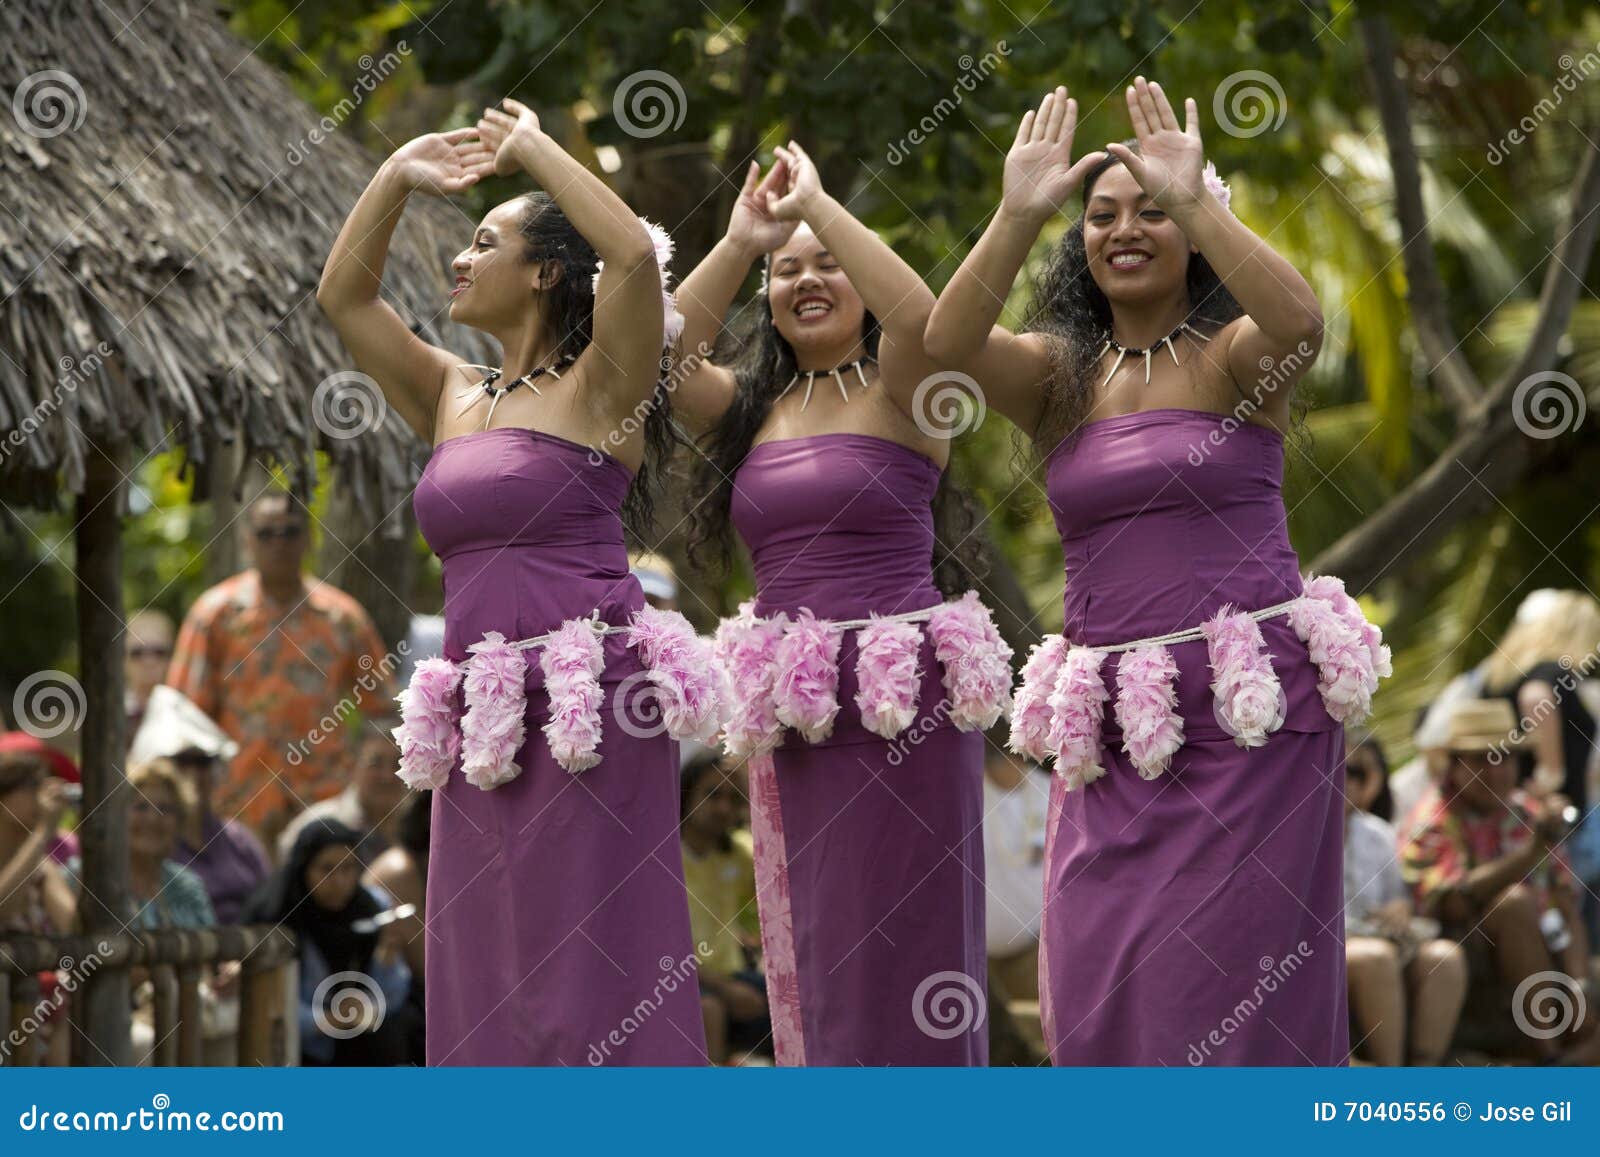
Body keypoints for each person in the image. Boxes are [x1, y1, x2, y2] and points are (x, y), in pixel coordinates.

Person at [925, 82, 1384, 1065]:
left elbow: (1301, 320)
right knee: (1100, 974)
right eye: (1101, 216)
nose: (1125, 230)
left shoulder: (1231, 361)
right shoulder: (1060, 379)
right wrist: (1015, 212)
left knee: (1233, 979)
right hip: (1115, 726)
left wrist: (1198, 197)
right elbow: (946, 346)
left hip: (1249, 717)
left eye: (1149, 212)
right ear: (1077, 240)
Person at [317, 99, 705, 1064]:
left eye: (483, 242)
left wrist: (537, 150)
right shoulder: (452, 390)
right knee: (484, 950)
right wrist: (397, 174)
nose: (459, 259)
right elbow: (346, 300)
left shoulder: (608, 383)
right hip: (481, 713)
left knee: (585, 966)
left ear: (542, 272)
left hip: (590, 705)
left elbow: (634, 260)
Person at [676, 143, 1007, 1065]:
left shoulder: (909, 390)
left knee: (911, 940)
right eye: (788, 275)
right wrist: (745, 240)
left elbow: (927, 317)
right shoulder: (751, 406)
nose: (808, 281)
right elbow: (660, 359)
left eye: (827, 267)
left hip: (905, 714)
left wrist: (823, 211)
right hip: (798, 717)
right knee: (813, 937)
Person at [164, 490, 396, 843]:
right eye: (266, 533)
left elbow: (384, 712)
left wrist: (376, 788)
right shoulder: (214, 614)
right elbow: (183, 717)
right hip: (235, 803)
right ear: (247, 541)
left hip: (324, 802)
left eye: (290, 532)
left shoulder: (342, 618)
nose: (279, 543)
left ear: (308, 540)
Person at [1400, 698, 1597, 1062]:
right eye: (1481, 760)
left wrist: (1580, 984)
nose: (1496, 771)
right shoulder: (1433, 820)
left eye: (1504, 757)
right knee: (1512, 903)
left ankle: (1568, 1058)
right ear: (1455, 766)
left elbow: (1565, 905)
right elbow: (1451, 902)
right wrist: (1526, 855)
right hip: (1466, 963)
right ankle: (1550, 1053)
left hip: (1547, 955)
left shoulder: (1529, 813)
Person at [242, 819, 411, 1066]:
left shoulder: (371, 908)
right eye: (327, 870)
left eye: (349, 868)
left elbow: (394, 997)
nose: (341, 882)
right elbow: (268, 1006)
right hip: (299, 1052)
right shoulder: (277, 916)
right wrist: (329, 1020)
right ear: (304, 868)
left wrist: (386, 956)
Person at [1342, 733, 1466, 1065]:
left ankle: (1424, 1071)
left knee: (1445, 956)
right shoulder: (1293, 837)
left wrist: (1400, 909)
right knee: (1375, 958)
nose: (1348, 781)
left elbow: (1401, 898)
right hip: (1325, 950)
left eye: (1355, 773)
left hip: (1377, 939)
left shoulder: (1379, 834)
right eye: (1339, 770)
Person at [130, 684, 270, 925]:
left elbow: (271, 903)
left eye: (202, 762)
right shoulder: (144, 846)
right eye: (182, 761)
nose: (193, 773)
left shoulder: (239, 841)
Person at [679, 751, 768, 1063]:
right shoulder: (665, 857)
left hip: (733, 975)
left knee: (793, 996)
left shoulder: (738, 855)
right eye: (712, 794)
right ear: (686, 793)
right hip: (677, 982)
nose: (723, 807)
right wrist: (727, 991)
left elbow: (765, 917)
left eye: (733, 797)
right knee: (709, 1010)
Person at [64, 758, 216, 931]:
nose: (153, 819)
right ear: (115, 817)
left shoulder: (186, 886)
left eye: (165, 809)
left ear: (180, 822)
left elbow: (212, 949)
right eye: (141, 807)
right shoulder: (80, 878)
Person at [0, 742, 76, 1065]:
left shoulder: (40, 866)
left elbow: (74, 925)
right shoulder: (36, 851)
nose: (44, 796)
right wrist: (44, 830)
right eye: (33, 786)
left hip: (34, 1005)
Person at [277, 715, 409, 866]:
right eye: (375, 764)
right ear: (352, 765)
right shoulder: (316, 825)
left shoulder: (421, 829)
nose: (387, 776)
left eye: (398, 764)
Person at [124, 608, 175, 740]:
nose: (149, 661)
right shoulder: (108, 717)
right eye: (137, 652)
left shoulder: (188, 714)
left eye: (159, 652)